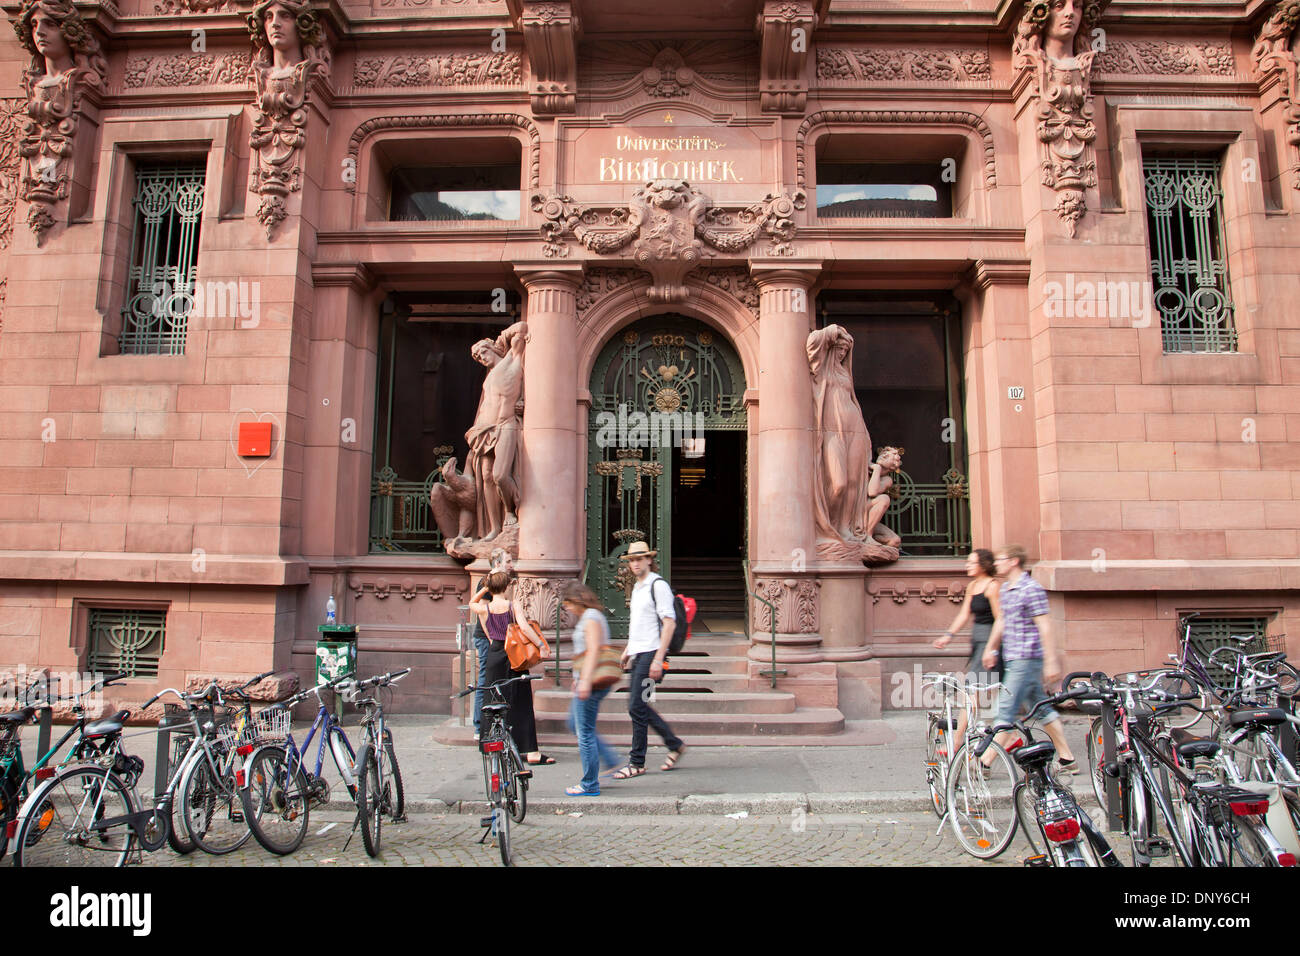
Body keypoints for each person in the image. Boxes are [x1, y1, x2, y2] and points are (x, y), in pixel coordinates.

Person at [981, 545, 1076, 772]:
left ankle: (984, 761)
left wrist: (1051, 660)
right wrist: (991, 648)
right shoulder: (1006, 589)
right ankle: (1067, 758)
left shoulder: (1031, 588)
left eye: (1001, 559)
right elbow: (1002, 620)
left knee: (1006, 708)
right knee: (1041, 708)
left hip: (1027, 658)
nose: (996, 564)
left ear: (1014, 561)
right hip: (1013, 657)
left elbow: (1044, 625)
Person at [611, 540, 685, 778]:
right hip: (640, 653)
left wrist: (658, 659)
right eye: (631, 560)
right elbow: (639, 625)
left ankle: (637, 761)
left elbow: (669, 622)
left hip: (653, 655)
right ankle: (674, 744)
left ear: (649, 560)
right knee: (639, 705)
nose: (634, 563)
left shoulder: (657, 585)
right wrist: (627, 651)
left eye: (639, 559)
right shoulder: (638, 587)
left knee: (636, 705)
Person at [468, 569, 553, 765]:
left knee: (492, 699)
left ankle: (491, 744)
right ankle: (529, 751)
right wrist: (540, 645)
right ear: (507, 587)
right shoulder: (513, 606)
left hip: (494, 653)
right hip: (513, 654)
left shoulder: (485, 608)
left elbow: (472, 603)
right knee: (520, 700)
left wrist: (485, 589)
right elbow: (524, 627)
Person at [933, 549, 1002, 745]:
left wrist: (992, 648)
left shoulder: (992, 586)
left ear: (983, 565)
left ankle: (957, 741)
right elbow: (964, 614)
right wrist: (948, 636)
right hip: (979, 643)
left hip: (988, 644)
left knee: (974, 692)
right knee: (984, 693)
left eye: (972, 562)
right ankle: (1005, 736)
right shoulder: (973, 586)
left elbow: (1000, 618)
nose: (967, 565)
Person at [562, 580, 621, 796]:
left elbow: (594, 650)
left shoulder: (592, 618)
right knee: (575, 723)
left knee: (584, 732)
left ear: (576, 601)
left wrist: (585, 680)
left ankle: (590, 784)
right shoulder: (588, 617)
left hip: (593, 681)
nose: (566, 608)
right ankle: (611, 760)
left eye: (567, 604)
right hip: (587, 679)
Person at [470, 548, 511, 741]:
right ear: (497, 564)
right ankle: (479, 726)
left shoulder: (501, 581)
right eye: (508, 561)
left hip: (494, 637)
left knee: (493, 679)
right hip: (487, 637)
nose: (511, 564)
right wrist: (491, 637)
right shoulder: (487, 582)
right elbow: (483, 611)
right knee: (485, 679)